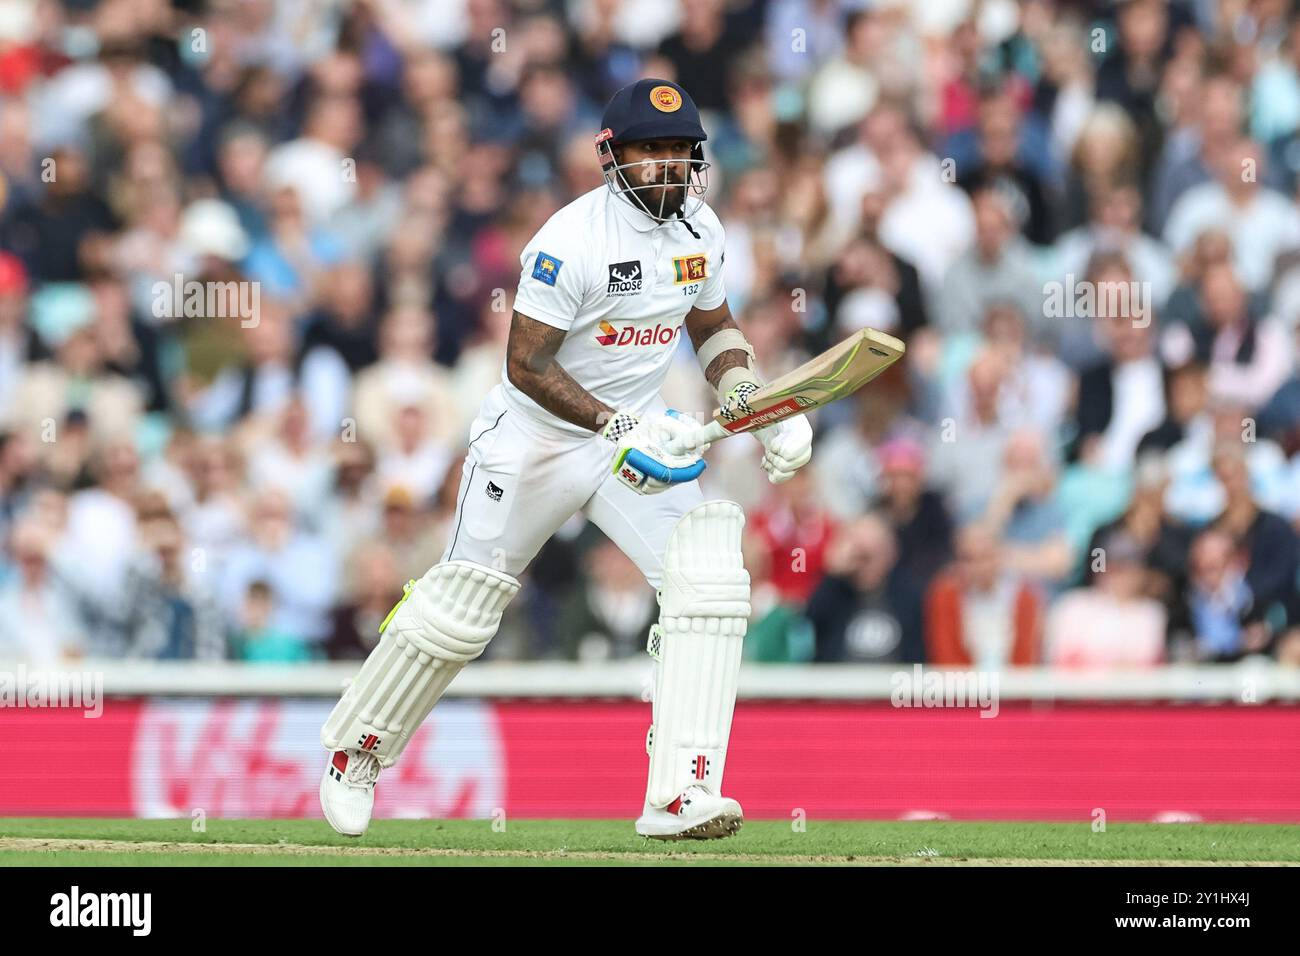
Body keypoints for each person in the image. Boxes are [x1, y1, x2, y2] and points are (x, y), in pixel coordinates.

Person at [318, 79, 813, 841]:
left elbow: (714, 329)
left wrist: (755, 400)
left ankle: (679, 793)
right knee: (462, 610)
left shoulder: (702, 232)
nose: (669, 166)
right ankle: (358, 752)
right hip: (535, 440)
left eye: (681, 152)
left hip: (630, 440)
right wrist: (618, 423)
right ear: (610, 156)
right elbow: (526, 365)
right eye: (652, 150)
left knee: (709, 576)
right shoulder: (570, 240)